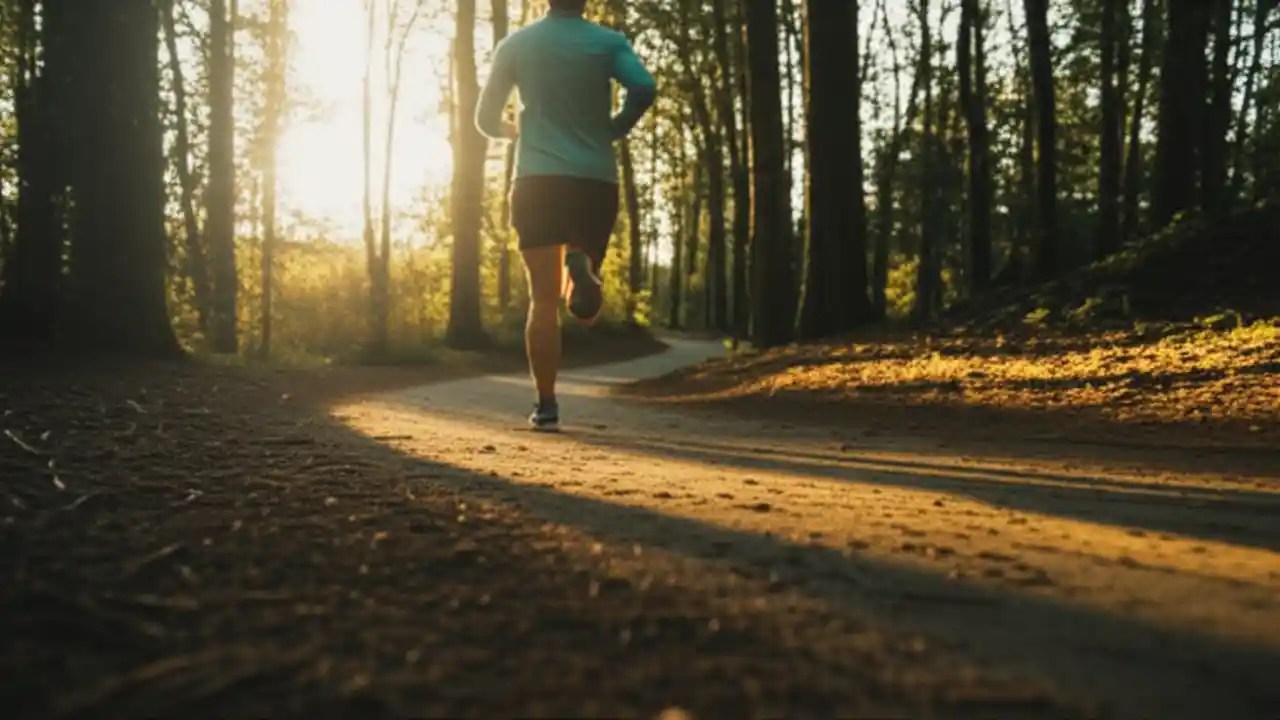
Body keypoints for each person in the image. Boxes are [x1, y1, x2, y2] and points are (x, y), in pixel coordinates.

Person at [475, 0, 656, 432]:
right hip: (593, 179)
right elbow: (644, 87)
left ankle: (547, 406)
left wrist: (509, 130)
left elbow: (484, 118)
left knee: (543, 299)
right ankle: (582, 264)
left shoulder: (515, 44)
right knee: (585, 309)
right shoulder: (607, 42)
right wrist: (616, 126)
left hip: (537, 180)